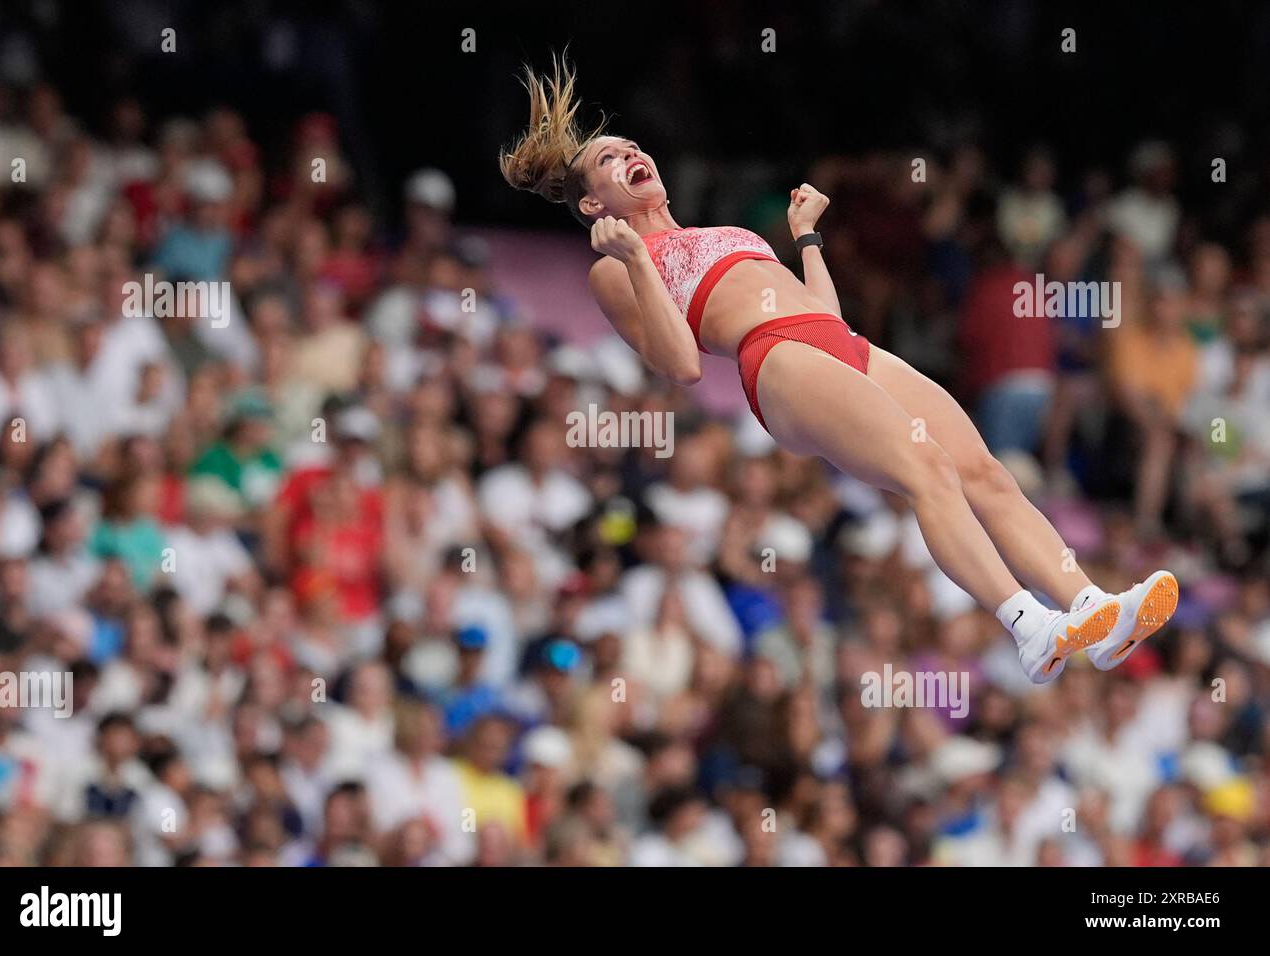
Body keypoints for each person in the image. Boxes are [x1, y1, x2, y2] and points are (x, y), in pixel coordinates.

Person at [498, 58, 1178, 684]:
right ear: (593, 204)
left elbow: (820, 310)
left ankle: (1092, 609)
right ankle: (1029, 626)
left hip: (834, 340)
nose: (630, 154)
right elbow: (681, 367)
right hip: (776, 363)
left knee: (983, 470)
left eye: (629, 146)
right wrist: (639, 259)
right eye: (609, 161)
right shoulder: (613, 269)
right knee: (927, 471)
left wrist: (807, 240)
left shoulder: (722, 232)